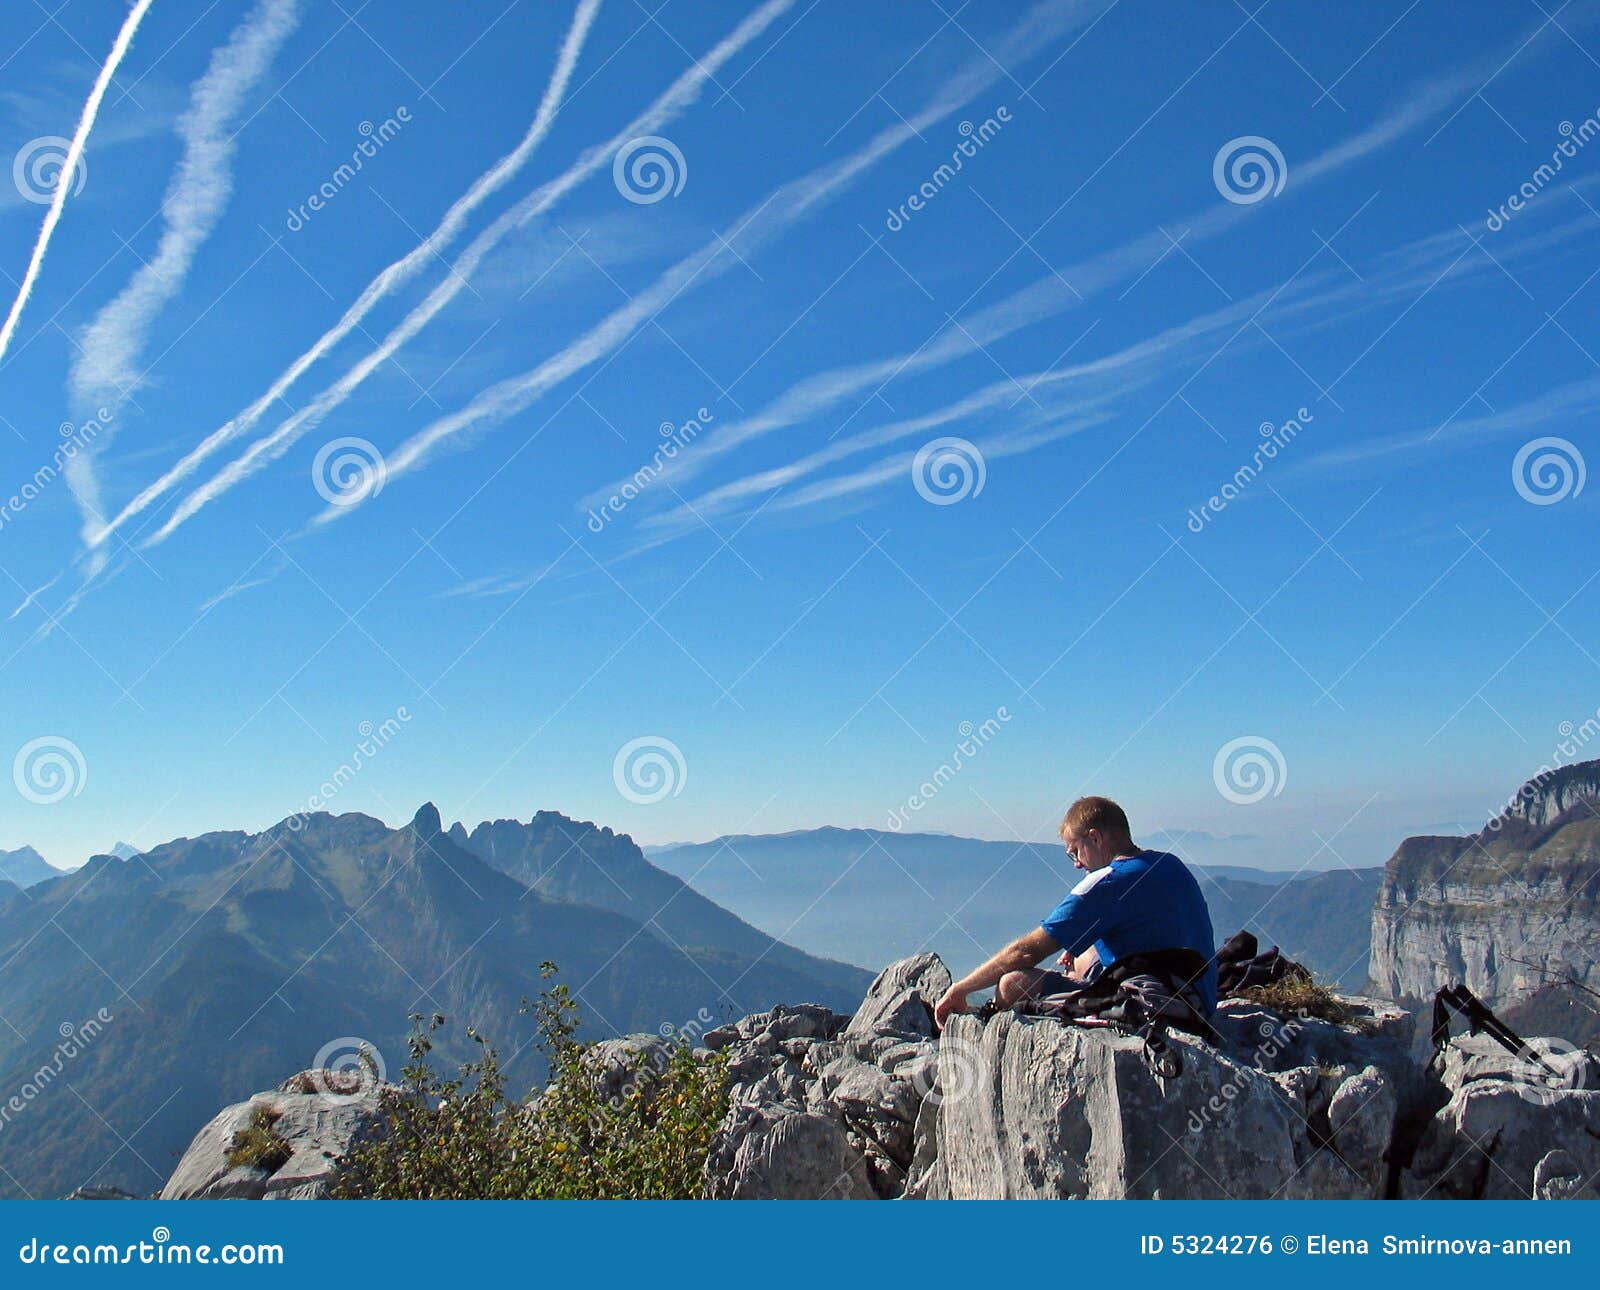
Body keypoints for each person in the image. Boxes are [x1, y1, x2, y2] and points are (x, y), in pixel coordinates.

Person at [932, 795, 1217, 1028]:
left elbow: (1026, 952)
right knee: (1082, 954)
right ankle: (1079, 983)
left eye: (1074, 852)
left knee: (1012, 984)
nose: (1076, 864)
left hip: (1159, 1007)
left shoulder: (1106, 882)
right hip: (1201, 998)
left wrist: (961, 989)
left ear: (1095, 838)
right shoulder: (1169, 863)